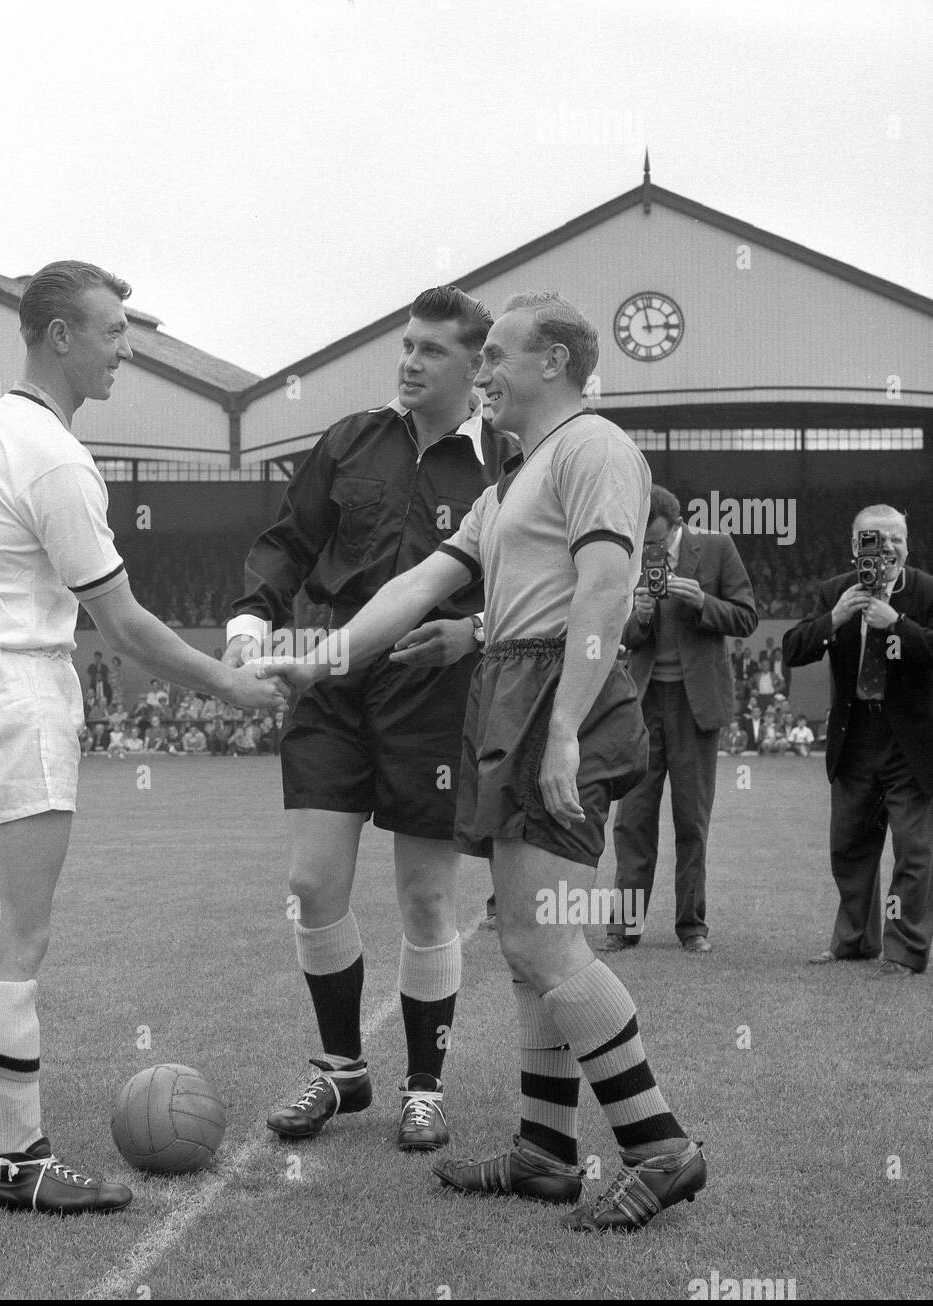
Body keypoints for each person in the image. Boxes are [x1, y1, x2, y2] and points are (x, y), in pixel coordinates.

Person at [264, 291, 705, 1232]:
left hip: (556, 697)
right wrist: (324, 661)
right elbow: (422, 582)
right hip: (511, 691)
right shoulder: (513, 479)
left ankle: (659, 1145)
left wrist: (564, 727)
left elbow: (605, 586)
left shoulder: (595, 448)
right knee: (519, 938)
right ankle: (547, 1150)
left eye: (497, 355)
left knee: (545, 936)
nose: (485, 372)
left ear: (554, 361)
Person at [0, 259, 285, 1216]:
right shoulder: (54, 453)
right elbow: (127, 626)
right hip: (10, 691)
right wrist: (228, 683)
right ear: (58, 334)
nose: (126, 349)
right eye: (111, 331)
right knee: (18, 933)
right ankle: (18, 1163)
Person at [226, 286, 518, 1152]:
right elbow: (287, 541)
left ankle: (424, 1084)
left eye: (431, 350)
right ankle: (339, 1068)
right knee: (312, 884)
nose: (410, 362)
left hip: (437, 693)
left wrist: (471, 633)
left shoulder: (508, 458)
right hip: (332, 679)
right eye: (406, 345)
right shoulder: (351, 439)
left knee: (427, 897)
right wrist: (251, 620)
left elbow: (543, 578)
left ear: (476, 367)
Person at [599, 486, 757, 955]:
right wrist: (639, 618)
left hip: (694, 705)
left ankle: (692, 927)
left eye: (655, 539)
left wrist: (700, 601)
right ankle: (624, 928)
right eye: (643, 541)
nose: (649, 548)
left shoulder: (717, 548)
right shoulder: (626, 554)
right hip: (642, 704)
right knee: (633, 820)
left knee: (692, 819)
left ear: (677, 524)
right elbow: (617, 634)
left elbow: (747, 617)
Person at [783, 505, 933, 977]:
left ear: (907, 543)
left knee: (913, 849)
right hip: (854, 738)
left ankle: (904, 951)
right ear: (855, 546)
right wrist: (833, 618)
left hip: (910, 742)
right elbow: (793, 648)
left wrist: (898, 626)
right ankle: (854, 941)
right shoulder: (834, 591)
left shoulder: (927, 591)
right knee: (849, 848)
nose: (885, 547)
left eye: (895, 539)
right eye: (874, 539)